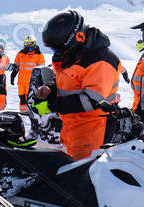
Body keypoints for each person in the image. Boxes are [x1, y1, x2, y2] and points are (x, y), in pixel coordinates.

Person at [29, 9, 125, 160]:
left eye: (57, 47)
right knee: (70, 169)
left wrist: (52, 105)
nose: (56, 52)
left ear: (76, 38)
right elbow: (67, 78)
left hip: (93, 128)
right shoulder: (74, 55)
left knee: (83, 175)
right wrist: (50, 87)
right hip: (72, 124)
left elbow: (93, 101)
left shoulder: (101, 60)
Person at [10, 35, 46, 111]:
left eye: (31, 43)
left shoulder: (39, 55)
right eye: (27, 44)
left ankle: (31, 115)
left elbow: (41, 69)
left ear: (34, 43)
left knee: (31, 99)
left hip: (32, 82)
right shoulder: (20, 54)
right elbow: (16, 66)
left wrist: (41, 80)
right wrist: (13, 75)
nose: (29, 45)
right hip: (21, 82)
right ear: (24, 44)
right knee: (22, 98)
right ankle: (23, 114)